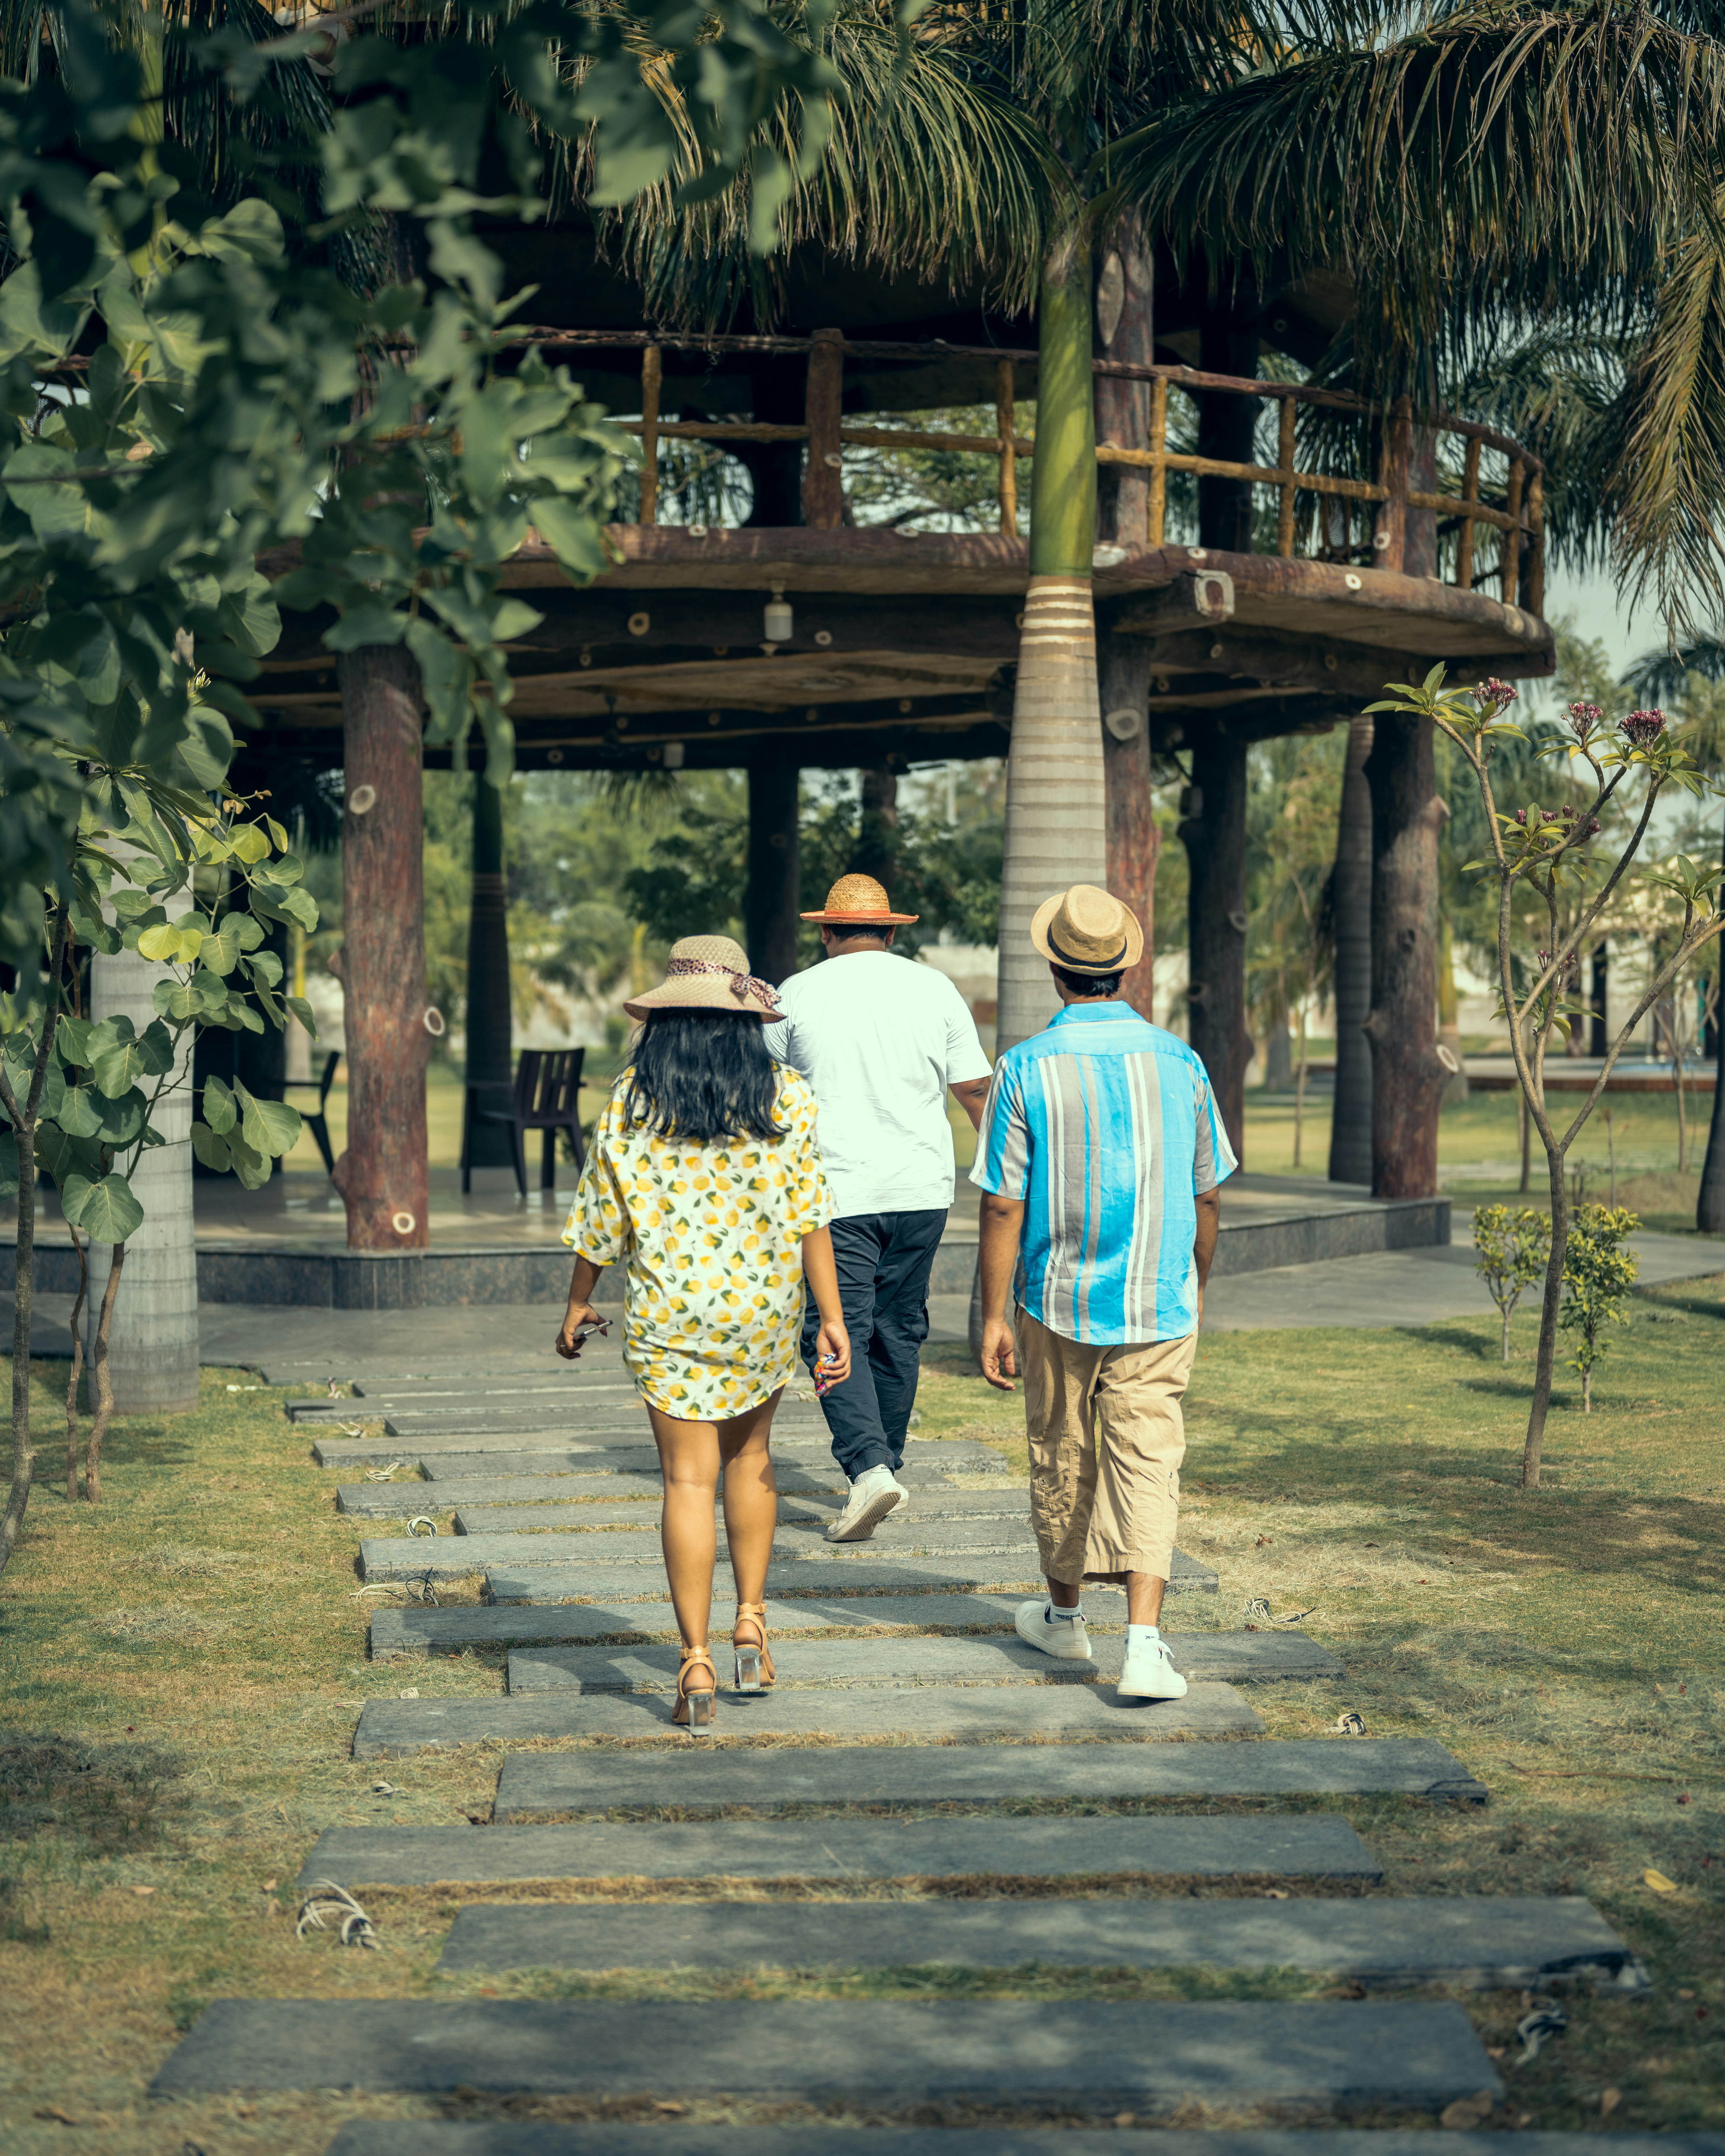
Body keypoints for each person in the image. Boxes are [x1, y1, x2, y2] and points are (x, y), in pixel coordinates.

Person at [554, 934, 852, 1735]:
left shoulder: (631, 1101)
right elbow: (811, 1216)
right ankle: (752, 1624)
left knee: (688, 1483)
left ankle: (694, 1662)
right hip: (762, 1314)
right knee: (751, 1462)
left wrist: (578, 1303)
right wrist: (831, 1317)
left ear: (665, 1017)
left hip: (670, 1316)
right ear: (745, 1017)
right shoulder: (787, 1096)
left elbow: (600, 1219)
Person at [971, 884, 1235, 1702]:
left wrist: (991, 1315)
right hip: (1159, 1297)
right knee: (1149, 1458)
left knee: (1061, 1448)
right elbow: (1208, 1194)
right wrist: (1195, 1279)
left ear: (1055, 970)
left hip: (1057, 1299)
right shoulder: (1182, 1063)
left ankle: (1064, 1618)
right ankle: (1145, 1646)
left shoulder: (1023, 1068)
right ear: (1125, 968)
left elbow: (1002, 1204)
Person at [763, 873, 993, 1542]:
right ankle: (881, 1466)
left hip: (833, 1196)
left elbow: (762, 1096)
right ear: (891, 932)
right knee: (898, 1330)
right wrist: (1013, 1176)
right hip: (921, 1190)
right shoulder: (935, 987)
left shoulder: (793, 993)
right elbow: (976, 1091)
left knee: (830, 1328)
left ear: (826, 933)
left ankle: (869, 1470)